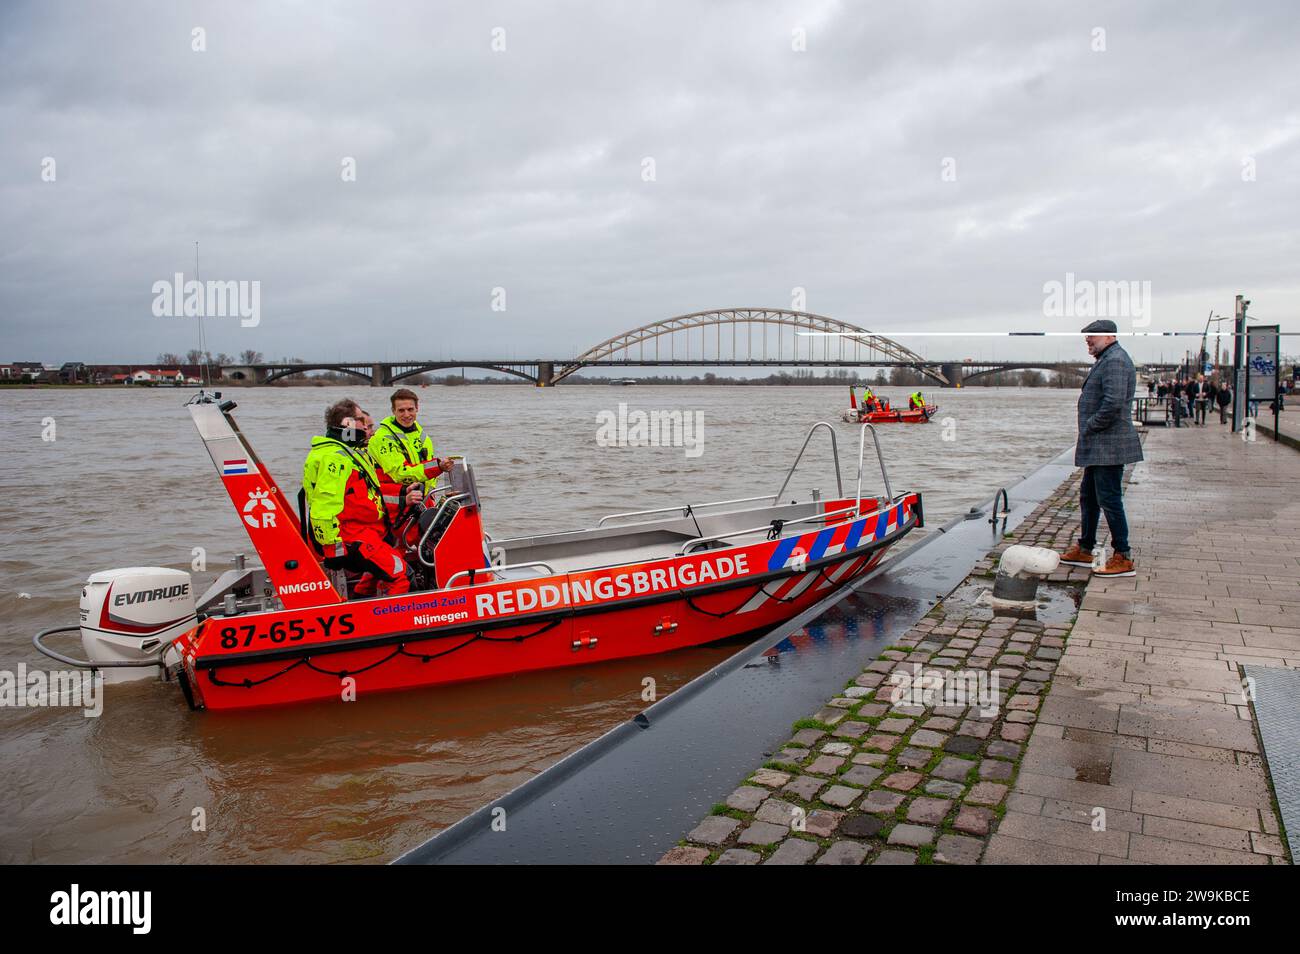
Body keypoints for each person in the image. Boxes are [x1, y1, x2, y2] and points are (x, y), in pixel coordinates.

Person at [304, 399, 416, 597]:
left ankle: (363, 600)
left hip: (365, 531)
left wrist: (401, 496)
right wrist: (334, 550)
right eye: (360, 421)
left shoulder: (347, 453)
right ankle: (389, 623)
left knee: (390, 560)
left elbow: (365, 496)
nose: (365, 426)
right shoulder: (335, 458)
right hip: (352, 535)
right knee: (402, 574)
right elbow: (324, 506)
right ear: (347, 423)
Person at [1058, 320, 1142, 578]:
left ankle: (1123, 555)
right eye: (1086, 338)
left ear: (1109, 336)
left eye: (1092, 336)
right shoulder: (1107, 358)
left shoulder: (1115, 360)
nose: (1088, 341)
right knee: (1089, 496)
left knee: (1109, 498)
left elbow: (1114, 403)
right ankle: (1085, 547)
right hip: (1100, 444)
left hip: (1108, 443)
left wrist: (1091, 426)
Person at [368, 388, 453, 518]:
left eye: (410, 409)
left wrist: (431, 499)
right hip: (395, 506)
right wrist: (438, 466)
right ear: (393, 411)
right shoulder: (383, 438)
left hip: (420, 503)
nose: (407, 415)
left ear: (417, 408)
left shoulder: (422, 436)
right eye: (401, 410)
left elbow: (428, 475)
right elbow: (401, 474)